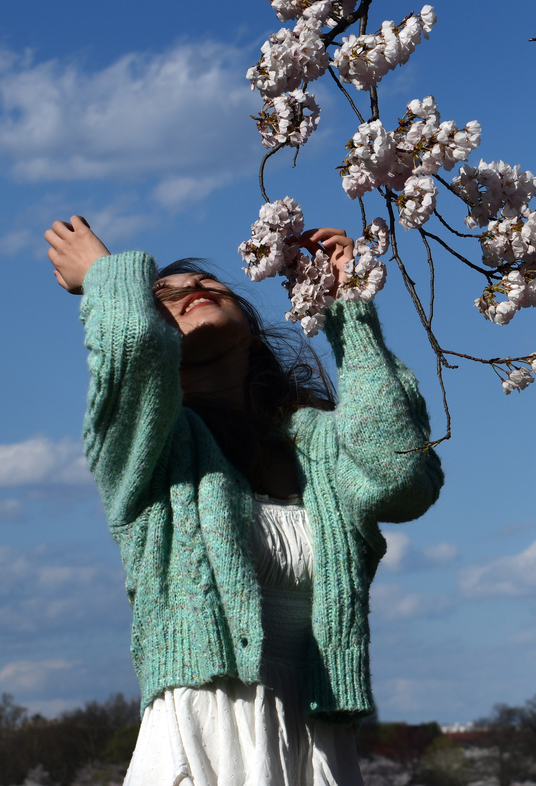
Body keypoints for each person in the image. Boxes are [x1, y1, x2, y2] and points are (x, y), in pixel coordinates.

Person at [45, 216, 444, 786]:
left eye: (209, 287)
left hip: (315, 738)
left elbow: (401, 475)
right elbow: (130, 357)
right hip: (202, 733)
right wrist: (107, 278)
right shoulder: (150, 454)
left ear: (254, 329)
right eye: (167, 297)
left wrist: (348, 309)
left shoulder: (320, 448)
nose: (193, 292)